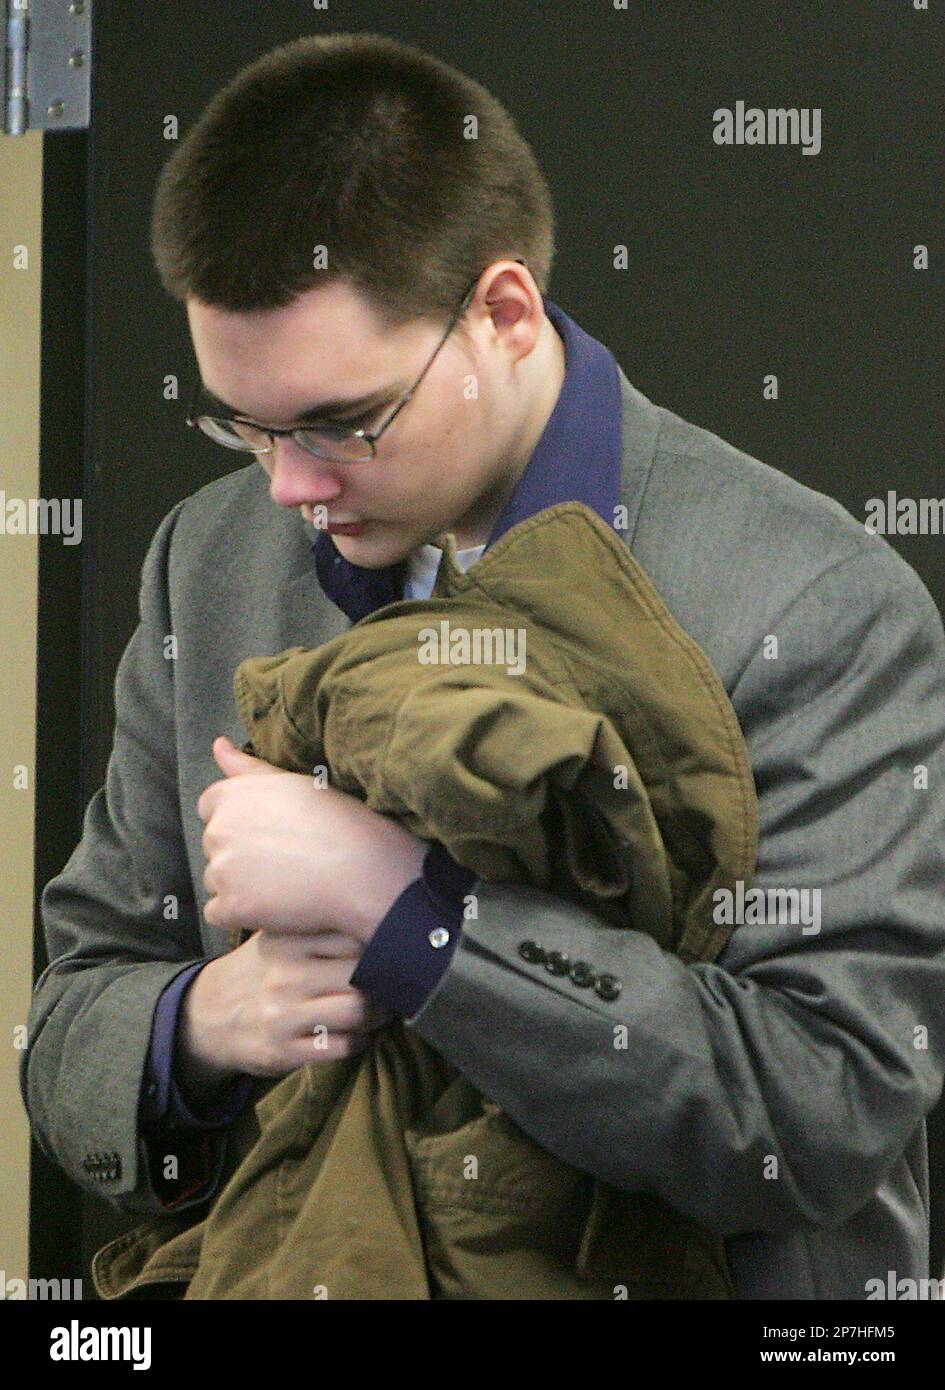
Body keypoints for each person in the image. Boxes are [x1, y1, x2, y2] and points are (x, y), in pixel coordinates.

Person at [20, 30, 945, 1300]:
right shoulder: (207, 561)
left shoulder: (820, 603)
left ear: (503, 313)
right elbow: (70, 1019)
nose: (289, 485)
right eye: (247, 425)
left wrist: (413, 913)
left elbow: (820, 1112)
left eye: (345, 423)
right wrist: (204, 1024)